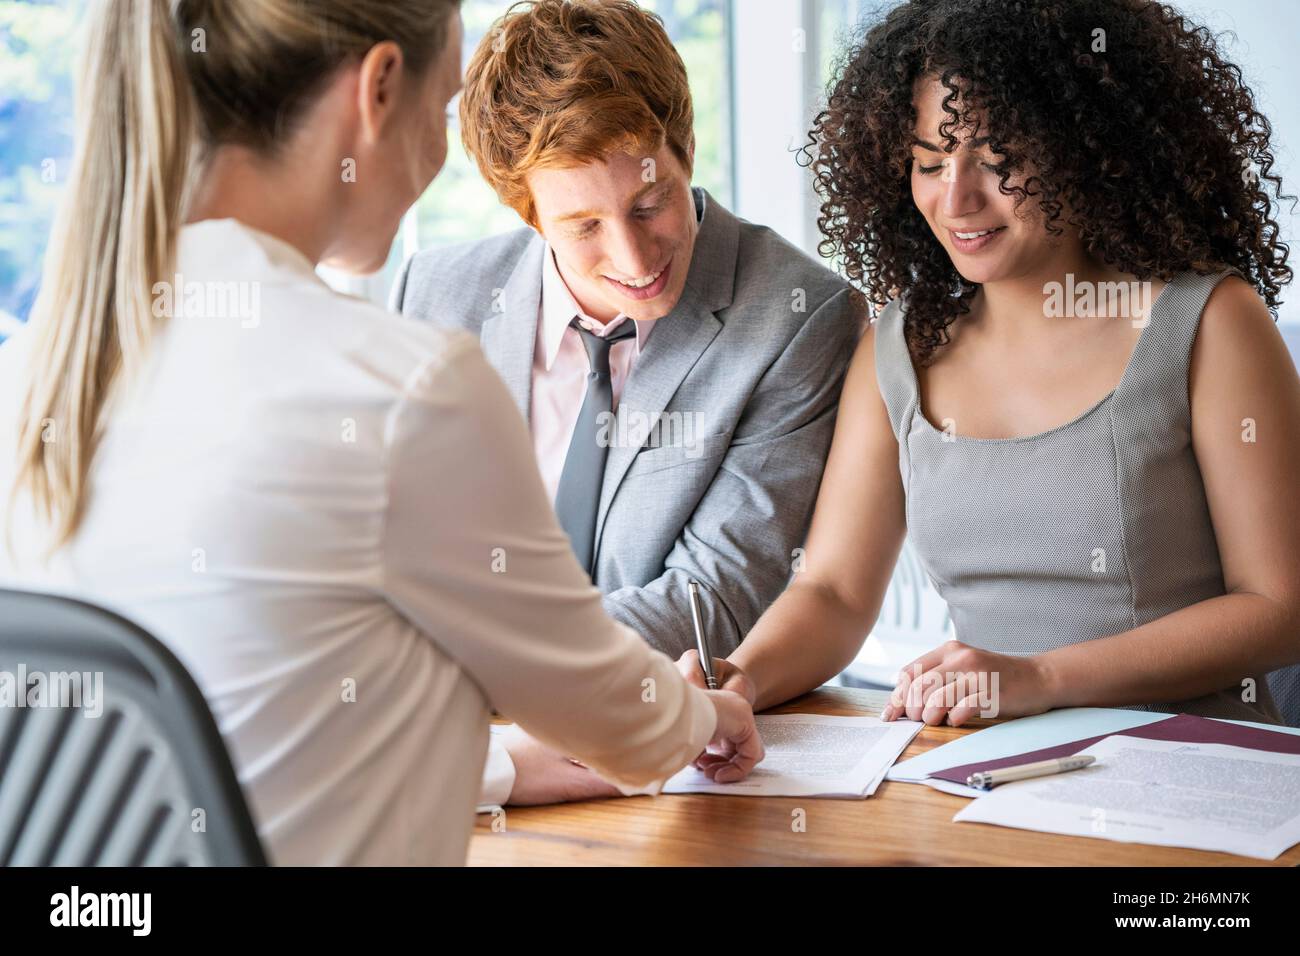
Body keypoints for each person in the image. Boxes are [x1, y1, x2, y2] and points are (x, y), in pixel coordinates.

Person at [0, 0, 761, 866]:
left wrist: (501, 767)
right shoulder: (399, 388)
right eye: (441, 111)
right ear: (380, 88)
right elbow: (614, 714)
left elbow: (243, 738)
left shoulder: (33, 374)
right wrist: (704, 717)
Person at [683, 0, 1300, 727]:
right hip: (978, 775)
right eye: (928, 162)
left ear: (1086, 144)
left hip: (1184, 775)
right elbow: (834, 594)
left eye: (997, 158)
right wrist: (739, 682)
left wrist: (1040, 676)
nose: (957, 199)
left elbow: (1278, 607)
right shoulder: (900, 345)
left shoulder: (1209, 322)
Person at [390, 0, 857, 804]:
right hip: (465, 767)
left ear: (686, 149)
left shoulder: (798, 315)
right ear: (526, 212)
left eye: (651, 203)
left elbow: (715, 598)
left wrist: (462, 665)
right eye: (584, 227)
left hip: (656, 767)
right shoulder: (436, 293)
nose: (635, 256)